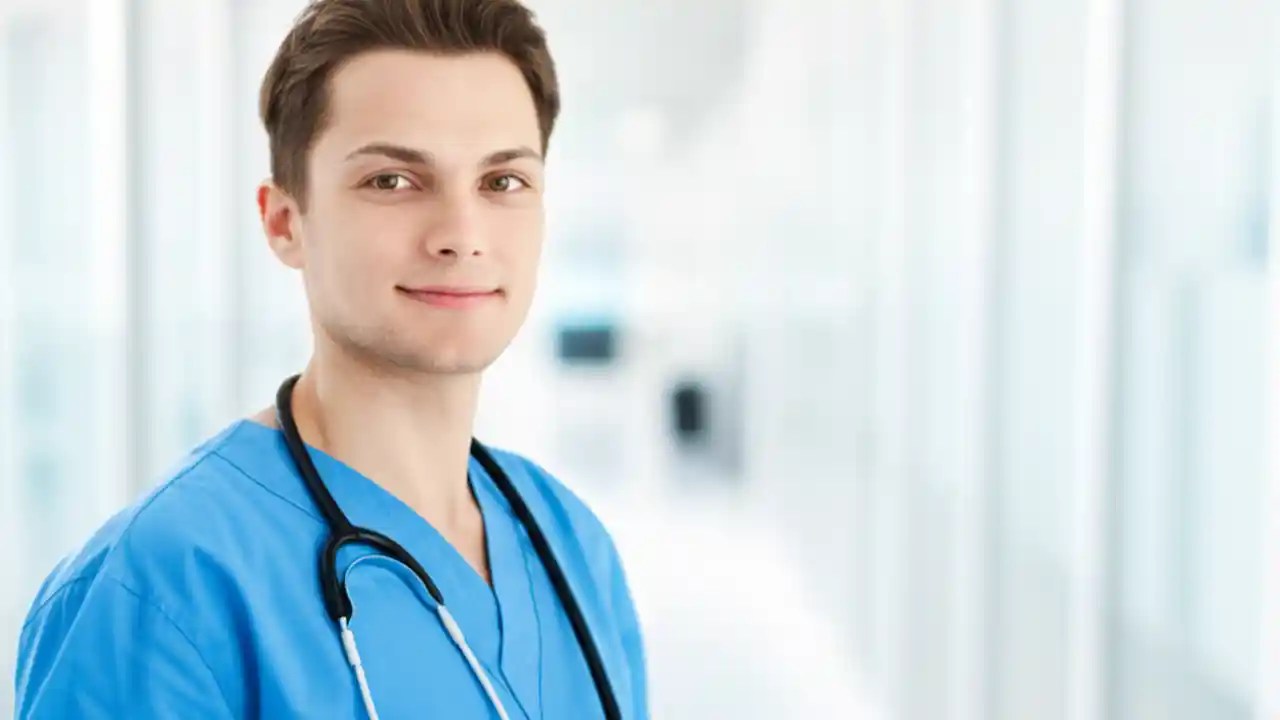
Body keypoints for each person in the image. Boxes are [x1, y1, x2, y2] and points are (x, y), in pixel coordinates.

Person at [13, 0, 648, 717]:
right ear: (285, 222)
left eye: (502, 182)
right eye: (392, 181)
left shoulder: (567, 542)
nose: (461, 234)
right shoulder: (162, 588)